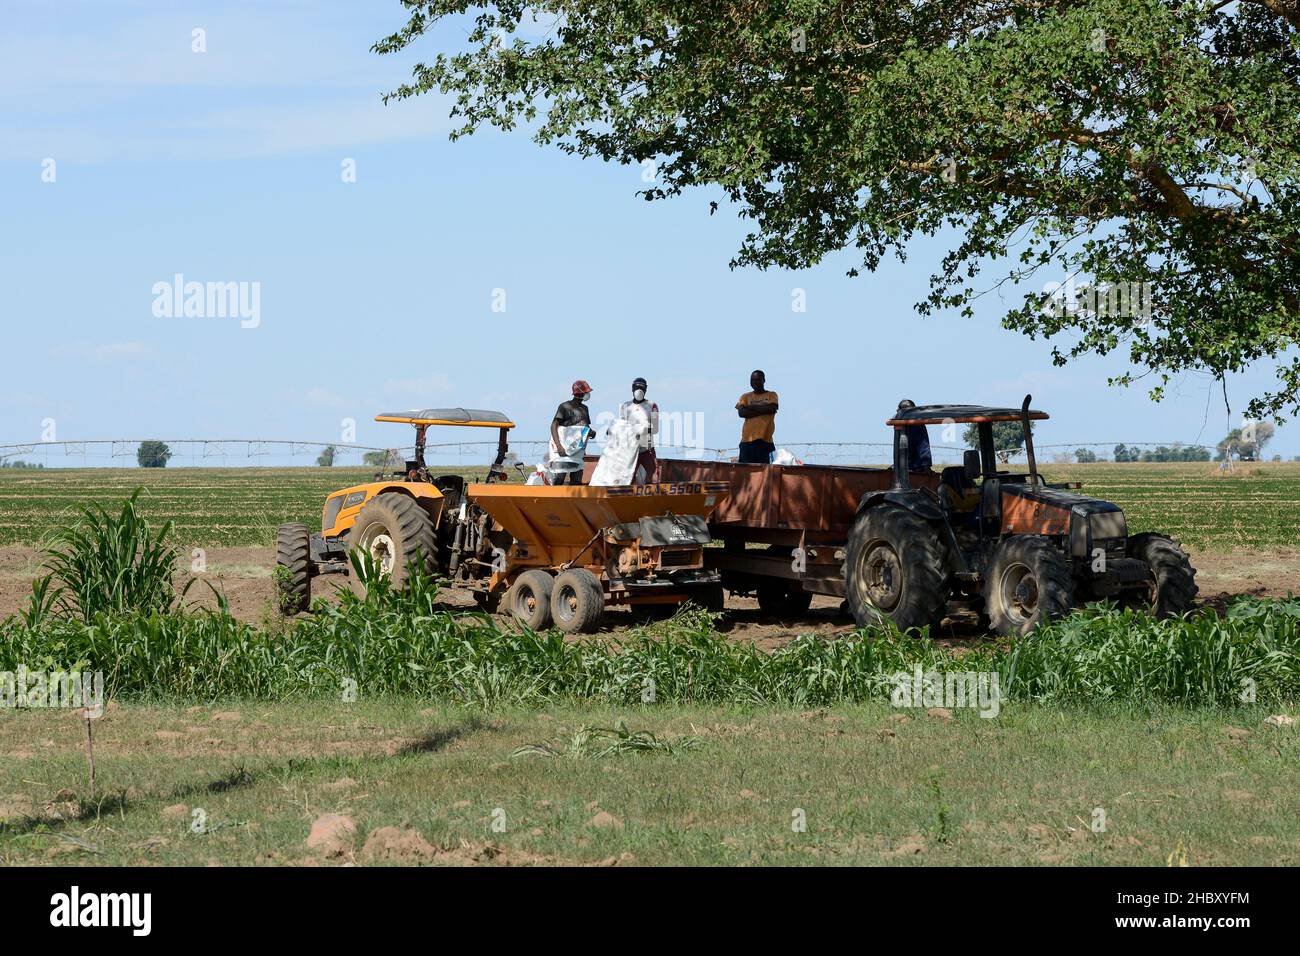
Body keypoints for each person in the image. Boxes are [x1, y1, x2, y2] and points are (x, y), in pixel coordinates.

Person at [614, 376, 660, 483]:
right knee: (627, 479)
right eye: (636, 388)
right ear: (632, 389)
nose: (639, 391)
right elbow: (622, 426)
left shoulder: (652, 405)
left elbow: (655, 428)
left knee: (655, 478)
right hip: (630, 449)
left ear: (646, 390)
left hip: (647, 448)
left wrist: (640, 430)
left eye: (642, 388)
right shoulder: (625, 406)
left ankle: (657, 497)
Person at [550, 380, 592, 485]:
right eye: (586, 392)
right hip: (563, 449)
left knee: (576, 480)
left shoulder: (584, 409)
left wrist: (591, 433)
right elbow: (554, 425)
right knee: (560, 477)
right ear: (581, 393)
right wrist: (559, 446)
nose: (588, 394)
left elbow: (585, 428)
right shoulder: (564, 407)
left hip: (577, 450)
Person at [736, 370, 779, 464]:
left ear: (764, 380)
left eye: (758, 380)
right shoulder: (745, 397)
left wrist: (750, 407)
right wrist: (763, 409)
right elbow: (742, 413)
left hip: (765, 441)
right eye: (752, 380)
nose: (755, 382)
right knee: (745, 472)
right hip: (747, 441)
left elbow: (771, 408)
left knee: (768, 471)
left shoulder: (771, 395)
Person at [896, 399, 933, 472]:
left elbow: (923, 446)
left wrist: (926, 465)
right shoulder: (899, 424)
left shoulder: (917, 425)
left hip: (916, 467)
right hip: (903, 465)